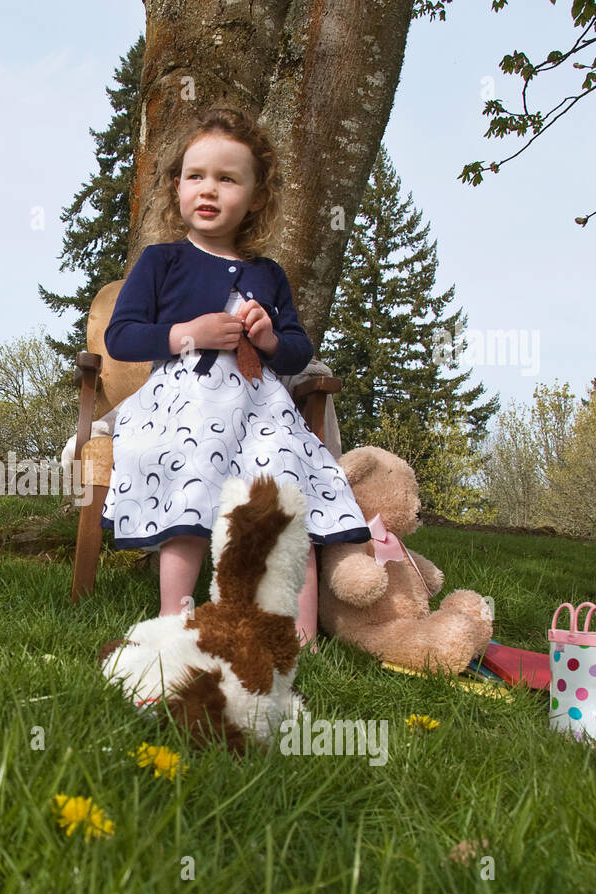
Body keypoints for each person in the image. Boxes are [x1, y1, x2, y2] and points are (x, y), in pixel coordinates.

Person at [101, 107, 370, 646]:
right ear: (177, 185)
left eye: (227, 179)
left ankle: (296, 634)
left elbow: (297, 351)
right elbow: (122, 336)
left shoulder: (268, 274)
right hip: (185, 402)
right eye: (195, 176)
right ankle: (176, 620)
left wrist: (269, 339)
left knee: (285, 484)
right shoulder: (162, 261)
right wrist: (188, 333)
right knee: (192, 478)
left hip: (258, 407)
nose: (208, 189)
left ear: (255, 196)